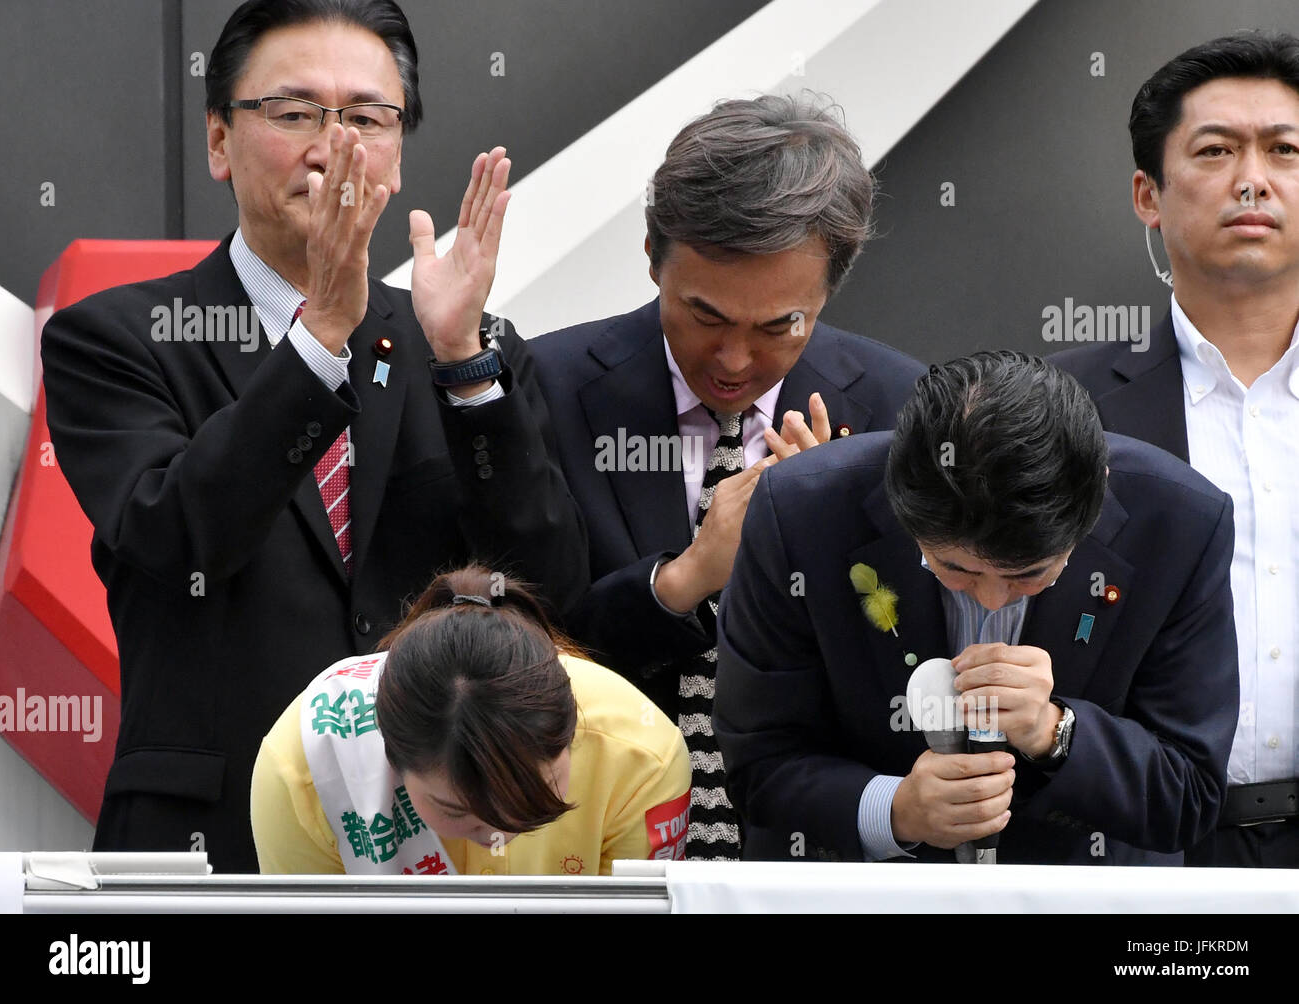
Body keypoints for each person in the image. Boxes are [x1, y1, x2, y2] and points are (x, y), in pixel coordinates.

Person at [39, 0, 585, 873]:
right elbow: (177, 535)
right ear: (219, 142)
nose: (335, 146)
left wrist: (461, 364)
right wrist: (320, 336)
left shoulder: (458, 342)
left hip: (439, 833)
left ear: (399, 153)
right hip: (209, 837)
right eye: (295, 114)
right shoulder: (115, 337)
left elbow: (549, 589)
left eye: (369, 118)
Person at [529, 94, 925, 858]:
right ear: (652, 255)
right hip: (591, 853)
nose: (736, 362)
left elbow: (920, 670)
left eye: (779, 327)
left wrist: (837, 558)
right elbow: (518, 643)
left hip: (818, 865)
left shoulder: (900, 411)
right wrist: (687, 578)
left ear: (828, 290)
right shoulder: (547, 387)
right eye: (706, 317)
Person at [715, 351, 1238, 865]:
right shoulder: (801, 510)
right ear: (900, 502)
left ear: (1094, 502)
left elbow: (1189, 797)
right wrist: (895, 810)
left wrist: (1055, 731)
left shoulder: (1181, 522)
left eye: (1028, 575)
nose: (989, 600)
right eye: (955, 569)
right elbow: (758, 762)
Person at [1053, 30, 1299, 866]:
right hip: (1133, 844)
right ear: (1147, 195)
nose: (1253, 179)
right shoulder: (1061, 410)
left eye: (1285, 150)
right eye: (1217, 150)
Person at [251, 565, 690, 875]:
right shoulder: (306, 767)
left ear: (572, 729)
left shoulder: (641, 755)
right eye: (457, 810)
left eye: (530, 797)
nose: (499, 832)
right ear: (389, 754)